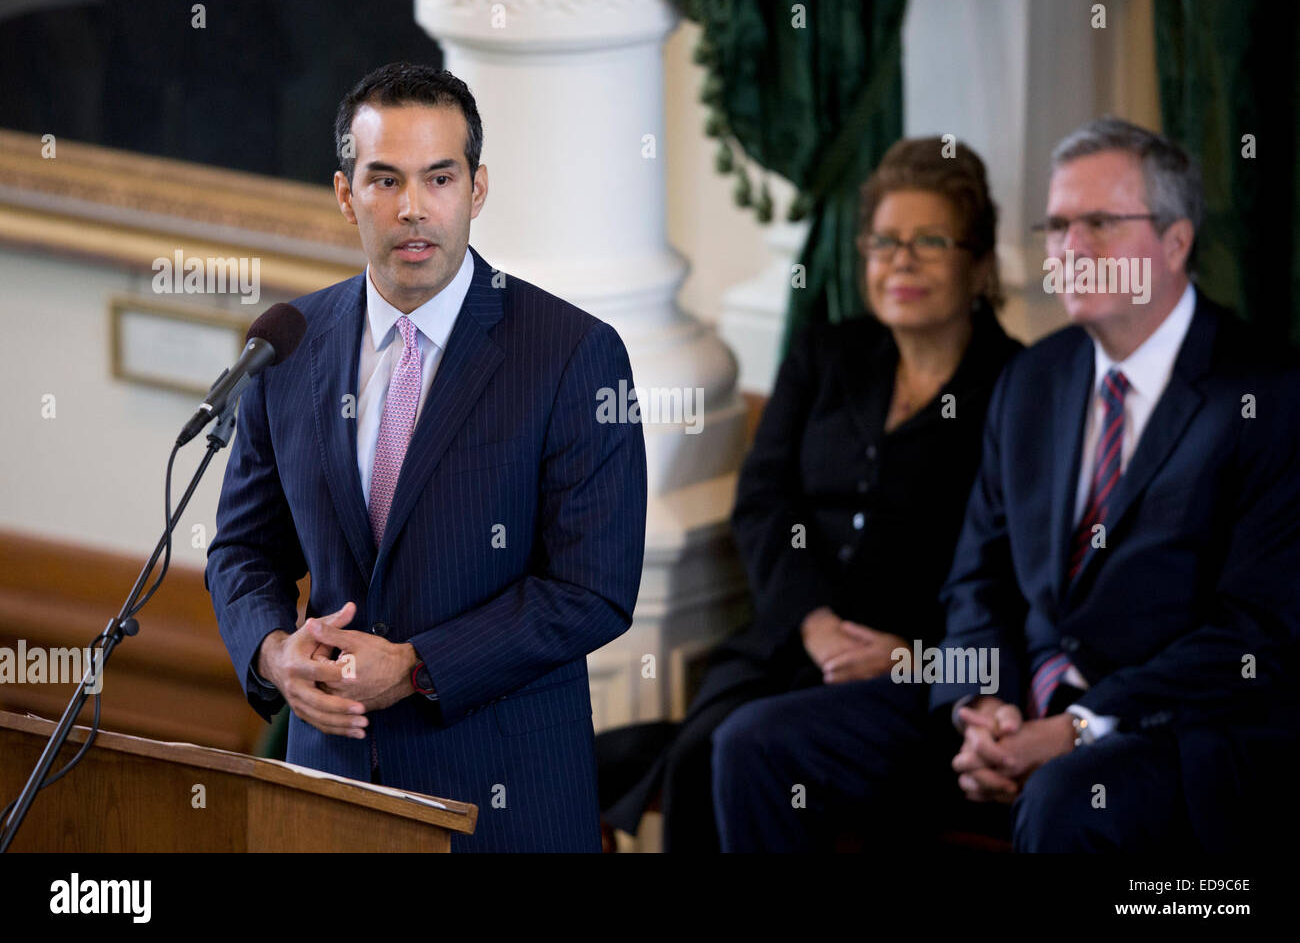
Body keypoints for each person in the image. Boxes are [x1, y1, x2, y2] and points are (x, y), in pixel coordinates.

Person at [712, 115, 1300, 852]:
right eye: (1056, 226)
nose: (1071, 248)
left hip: (1170, 727)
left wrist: (1077, 727)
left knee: (1064, 800)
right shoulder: (1035, 379)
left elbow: (1257, 633)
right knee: (757, 743)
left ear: (1176, 241)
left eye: (1100, 223)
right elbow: (977, 583)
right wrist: (976, 702)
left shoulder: (1268, 396)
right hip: (1012, 697)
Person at [205, 62, 647, 852]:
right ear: (346, 195)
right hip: (331, 789)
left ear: (477, 190)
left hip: (502, 798)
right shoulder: (289, 344)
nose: (413, 209)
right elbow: (242, 548)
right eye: (384, 181)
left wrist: (414, 666)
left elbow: (594, 589)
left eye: (438, 178)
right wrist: (274, 653)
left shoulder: (572, 354)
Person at [597, 138, 1022, 851]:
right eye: (884, 241)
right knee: (695, 753)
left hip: (922, 672)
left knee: (740, 747)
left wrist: (912, 654)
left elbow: (1010, 570)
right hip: (791, 644)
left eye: (930, 241)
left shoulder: (1019, 385)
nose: (901, 260)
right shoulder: (828, 355)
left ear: (978, 264)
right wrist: (813, 622)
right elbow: (764, 500)